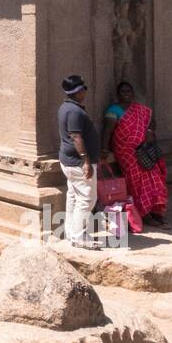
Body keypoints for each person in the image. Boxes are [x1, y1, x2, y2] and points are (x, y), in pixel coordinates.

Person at [101, 81, 169, 229]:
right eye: (124, 92)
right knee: (135, 182)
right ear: (118, 94)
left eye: (129, 91)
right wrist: (104, 150)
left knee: (154, 180)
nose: (127, 94)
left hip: (144, 151)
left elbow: (152, 121)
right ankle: (143, 214)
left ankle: (155, 211)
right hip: (127, 152)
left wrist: (150, 132)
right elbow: (107, 132)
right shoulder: (113, 110)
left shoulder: (140, 109)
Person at [57, 74, 100, 250]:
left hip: (69, 161)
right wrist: (86, 160)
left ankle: (71, 233)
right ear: (80, 91)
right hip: (77, 162)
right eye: (84, 88)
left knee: (74, 196)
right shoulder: (74, 111)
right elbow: (75, 136)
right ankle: (77, 236)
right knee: (88, 198)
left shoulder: (66, 107)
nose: (86, 91)